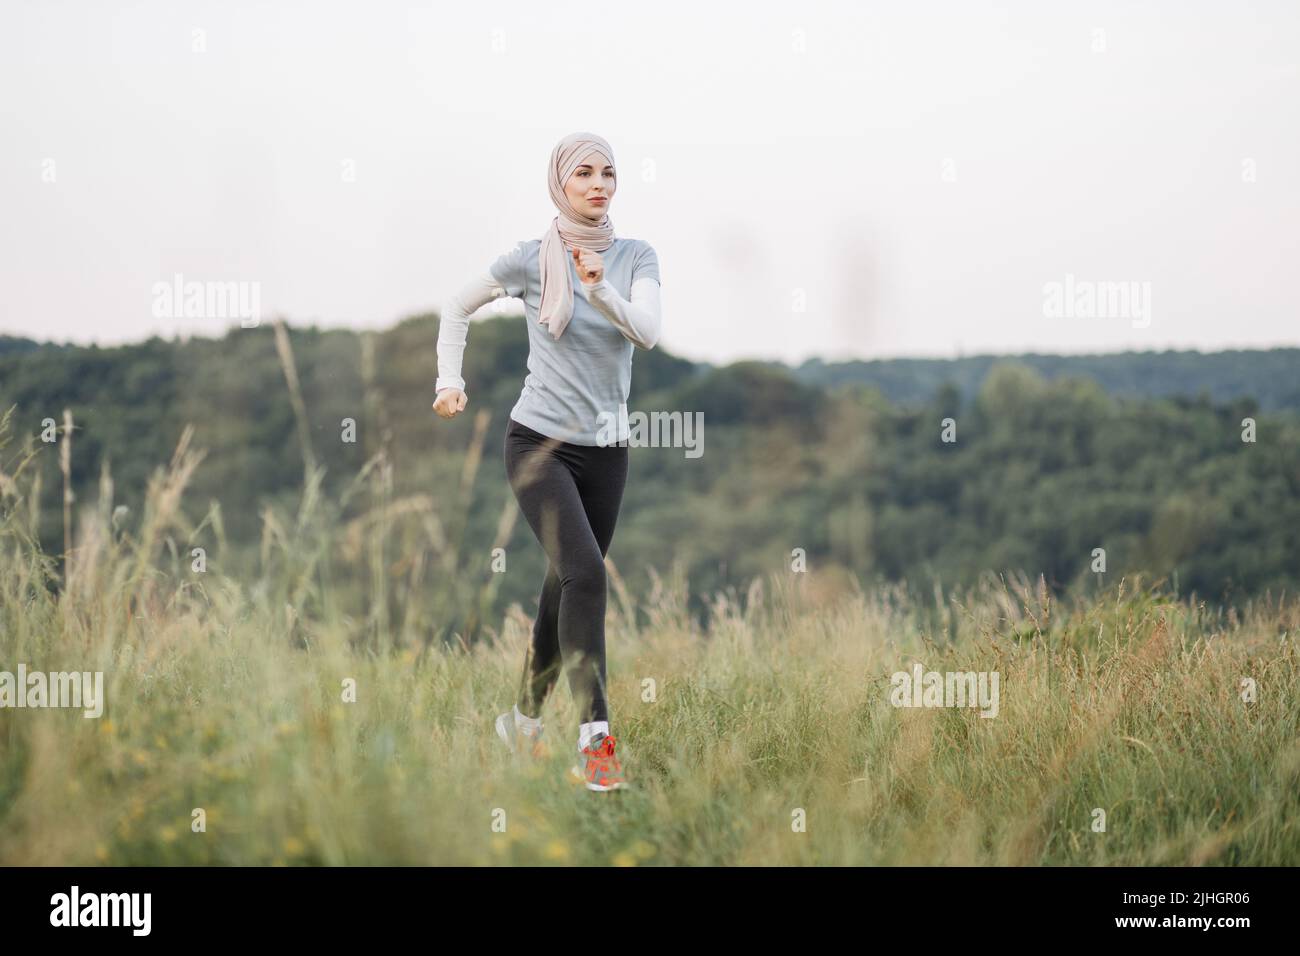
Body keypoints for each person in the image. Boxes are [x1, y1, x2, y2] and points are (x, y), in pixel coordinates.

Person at [432, 131, 662, 792]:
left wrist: (600, 292)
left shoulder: (636, 256)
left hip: (608, 452)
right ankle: (597, 743)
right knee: (587, 574)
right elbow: (457, 306)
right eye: (583, 173)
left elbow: (646, 331)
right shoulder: (531, 260)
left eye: (608, 173)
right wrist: (450, 381)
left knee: (565, 586)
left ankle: (523, 723)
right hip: (538, 445)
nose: (598, 184)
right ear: (560, 183)